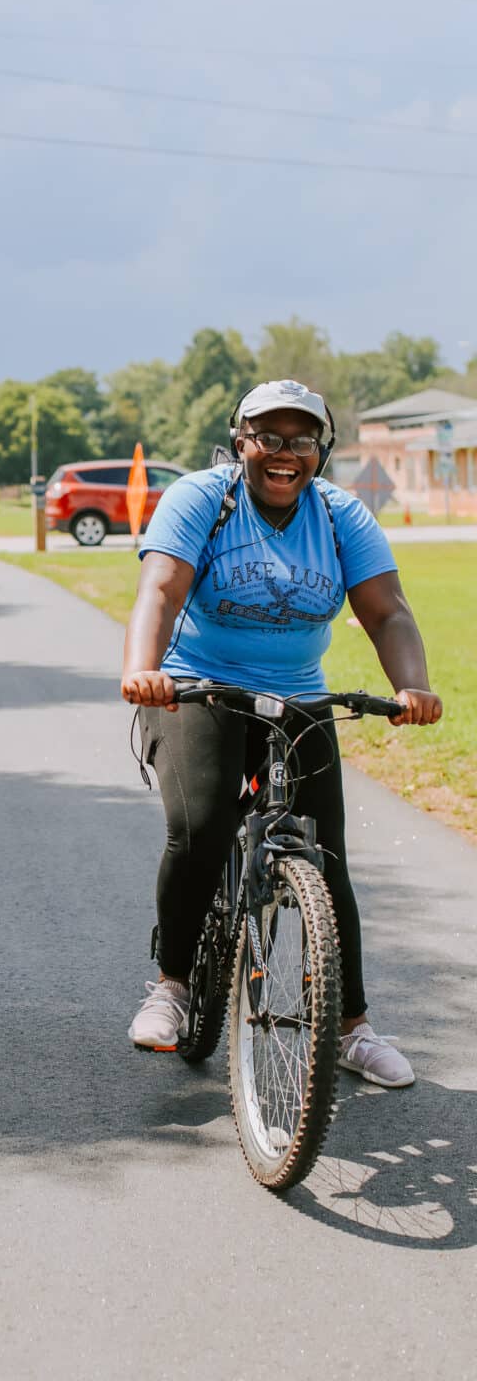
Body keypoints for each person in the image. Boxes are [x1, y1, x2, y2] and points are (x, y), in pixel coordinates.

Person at [121, 379, 442, 1087]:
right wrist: (145, 671)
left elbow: (387, 611)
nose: (284, 452)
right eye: (268, 435)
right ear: (241, 441)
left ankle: (351, 1026)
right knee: (202, 824)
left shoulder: (339, 515)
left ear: (320, 452)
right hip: (197, 687)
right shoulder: (203, 499)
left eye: (301, 439)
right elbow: (163, 589)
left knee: (327, 855)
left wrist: (411, 685)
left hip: (298, 697)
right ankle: (172, 985)